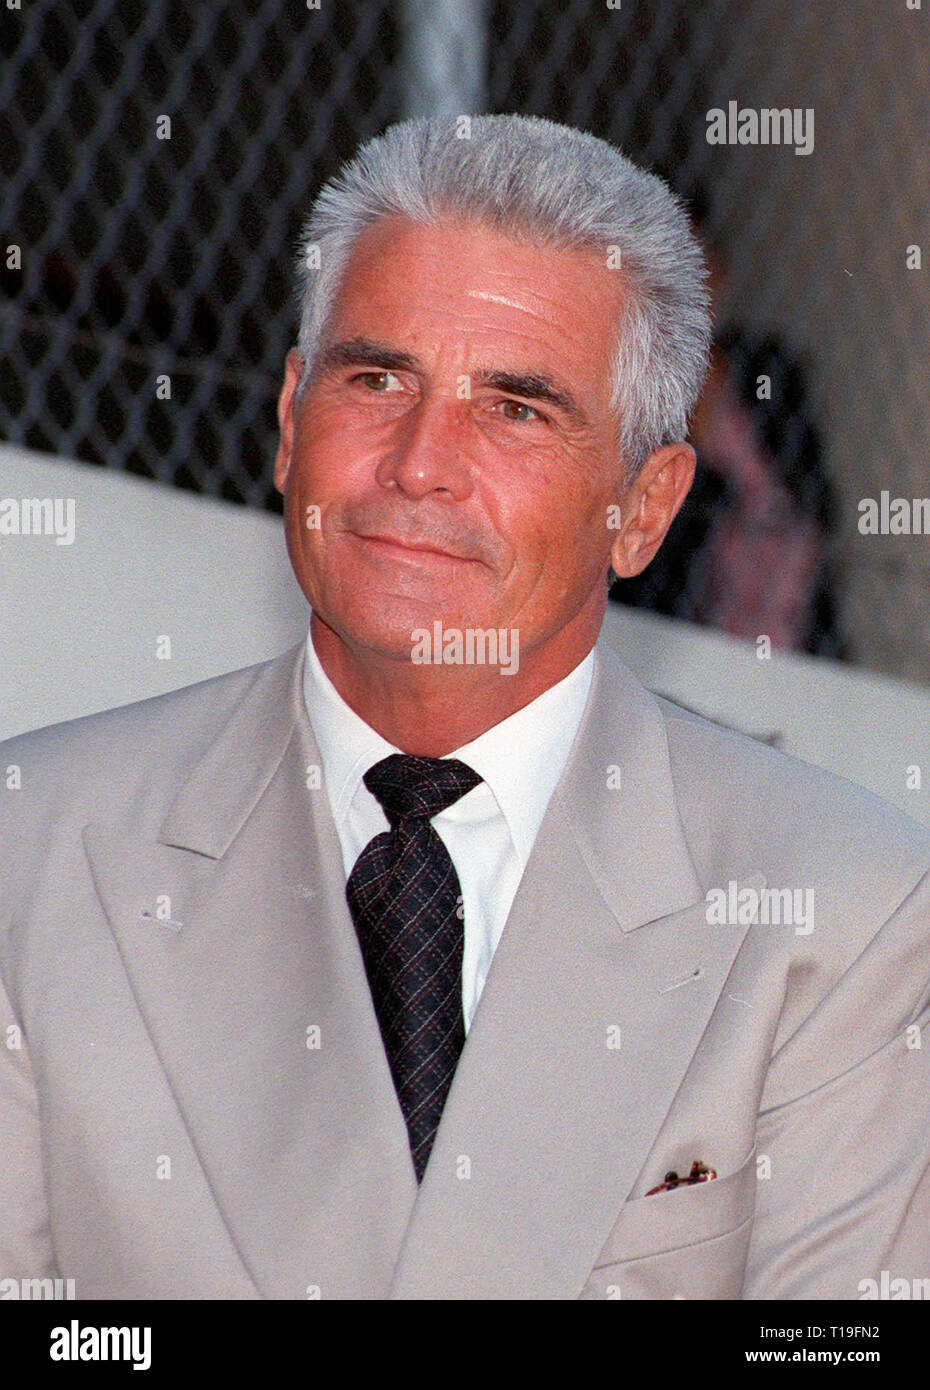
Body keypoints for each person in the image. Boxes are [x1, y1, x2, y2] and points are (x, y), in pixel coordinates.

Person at [1, 114, 928, 1301]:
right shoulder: (34, 852)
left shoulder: (845, 912)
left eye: (517, 409)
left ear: (644, 509)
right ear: (289, 423)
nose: (420, 461)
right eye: (378, 377)